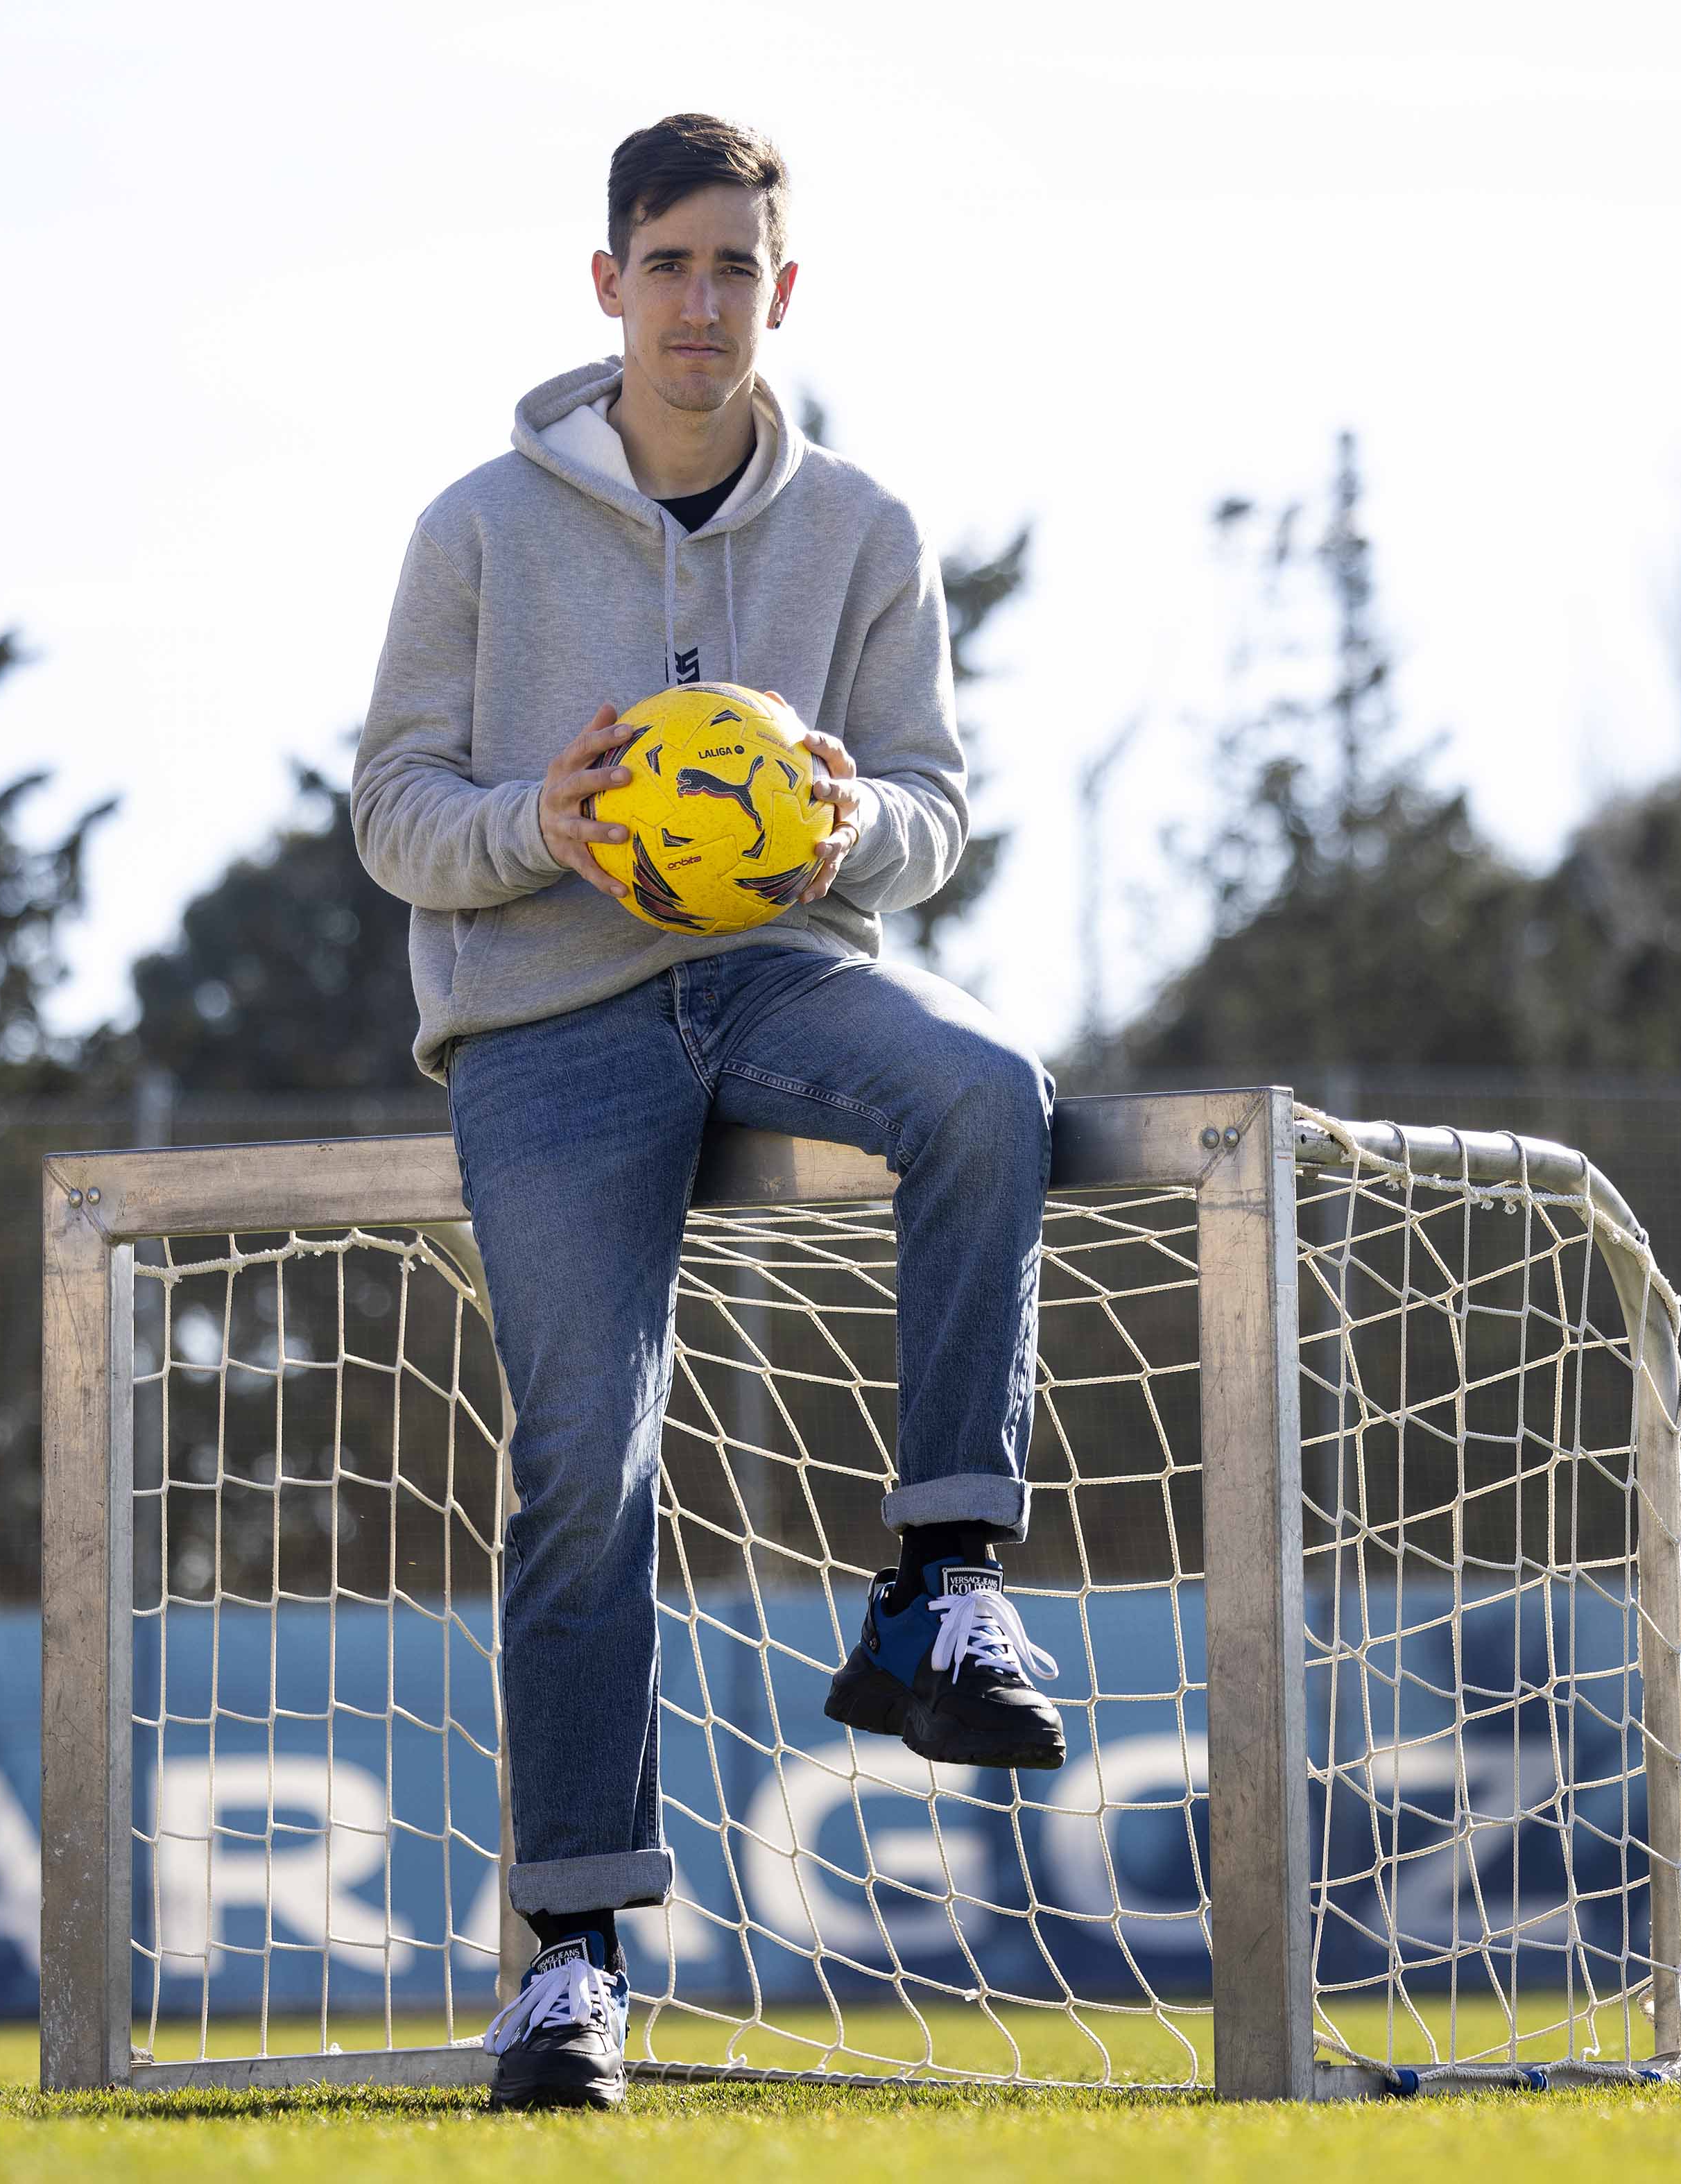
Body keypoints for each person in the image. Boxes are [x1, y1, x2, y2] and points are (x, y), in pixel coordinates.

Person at [350, 112, 1061, 2113]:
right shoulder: (476, 528)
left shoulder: (862, 530)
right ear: (607, 285)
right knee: (587, 1458)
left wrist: (852, 824)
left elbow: (935, 804)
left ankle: (942, 1586)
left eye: (734, 266)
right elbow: (390, 809)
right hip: (548, 1025)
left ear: (781, 290)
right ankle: (569, 1969)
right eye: (665, 264)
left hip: (775, 975)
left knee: (988, 1092)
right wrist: (540, 824)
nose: (698, 301)